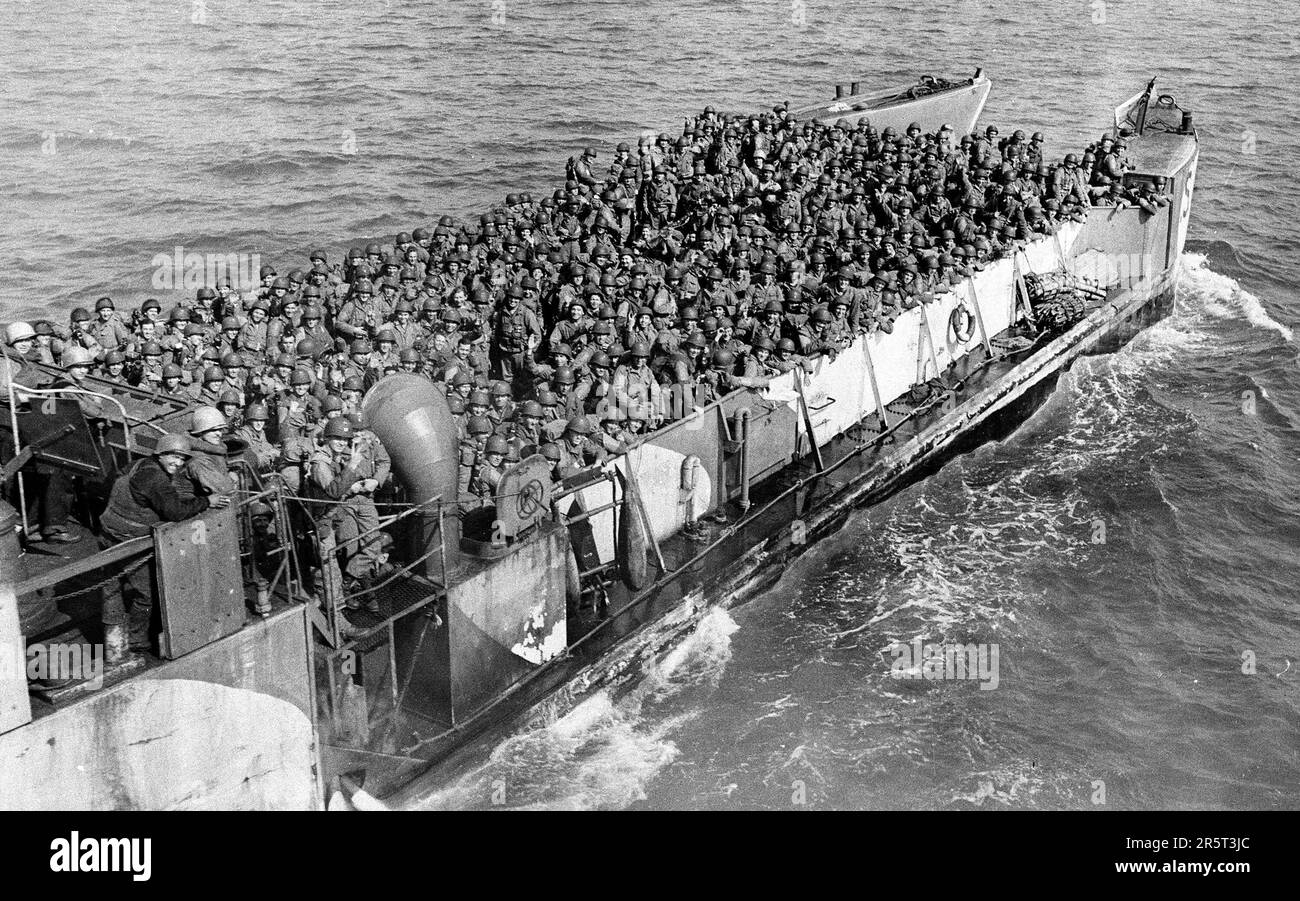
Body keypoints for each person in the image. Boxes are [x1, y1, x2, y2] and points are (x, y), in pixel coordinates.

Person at [98, 433, 229, 662]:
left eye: (181, 459)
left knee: (112, 589)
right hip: (128, 539)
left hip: (108, 530)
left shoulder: (138, 464)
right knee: (147, 593)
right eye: (173, 457)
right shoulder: (154, 479)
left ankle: (115, 642)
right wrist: (208, 501)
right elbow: (175, 512)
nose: (177, 464)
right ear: (161, 454)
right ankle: (138, 639)